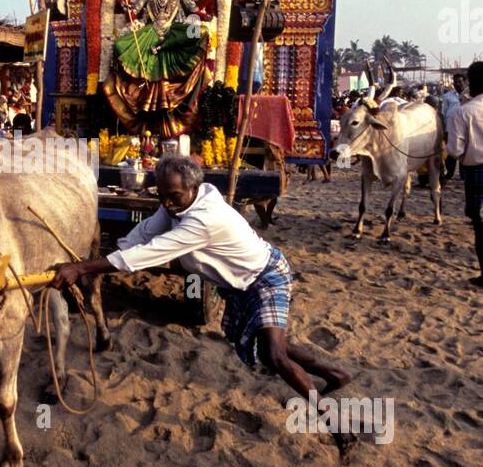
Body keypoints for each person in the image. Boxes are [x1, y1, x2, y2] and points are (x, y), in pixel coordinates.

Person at [52, 156, 352, 435]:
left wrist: (84, 267)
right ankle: (334, 374)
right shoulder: (175, 205)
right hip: (238, 285)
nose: (168, 204)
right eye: (163, 196)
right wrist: (104, 257)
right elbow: (143, 235)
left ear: (193, 188)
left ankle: (333, 421)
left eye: (175, 197)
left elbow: (150, 252)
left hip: (265, 277)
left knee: (274, 355)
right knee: (273, 347)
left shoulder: (204, 219)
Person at [447, 60, 483, 287]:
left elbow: (455, 150)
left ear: (471, 82)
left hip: (476, 171)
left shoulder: (464, 112)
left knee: (480, 226)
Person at [442, 72, 468, 180]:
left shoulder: (470, 95)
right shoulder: (447, 96)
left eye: (460, 82)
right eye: (455, 82)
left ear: (465, 82)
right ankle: (449, 173)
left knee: (465, 150)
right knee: (450, 150)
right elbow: (443, 112)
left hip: (465, 128)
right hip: (450, 128)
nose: (457, 84)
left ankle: (463, 174)